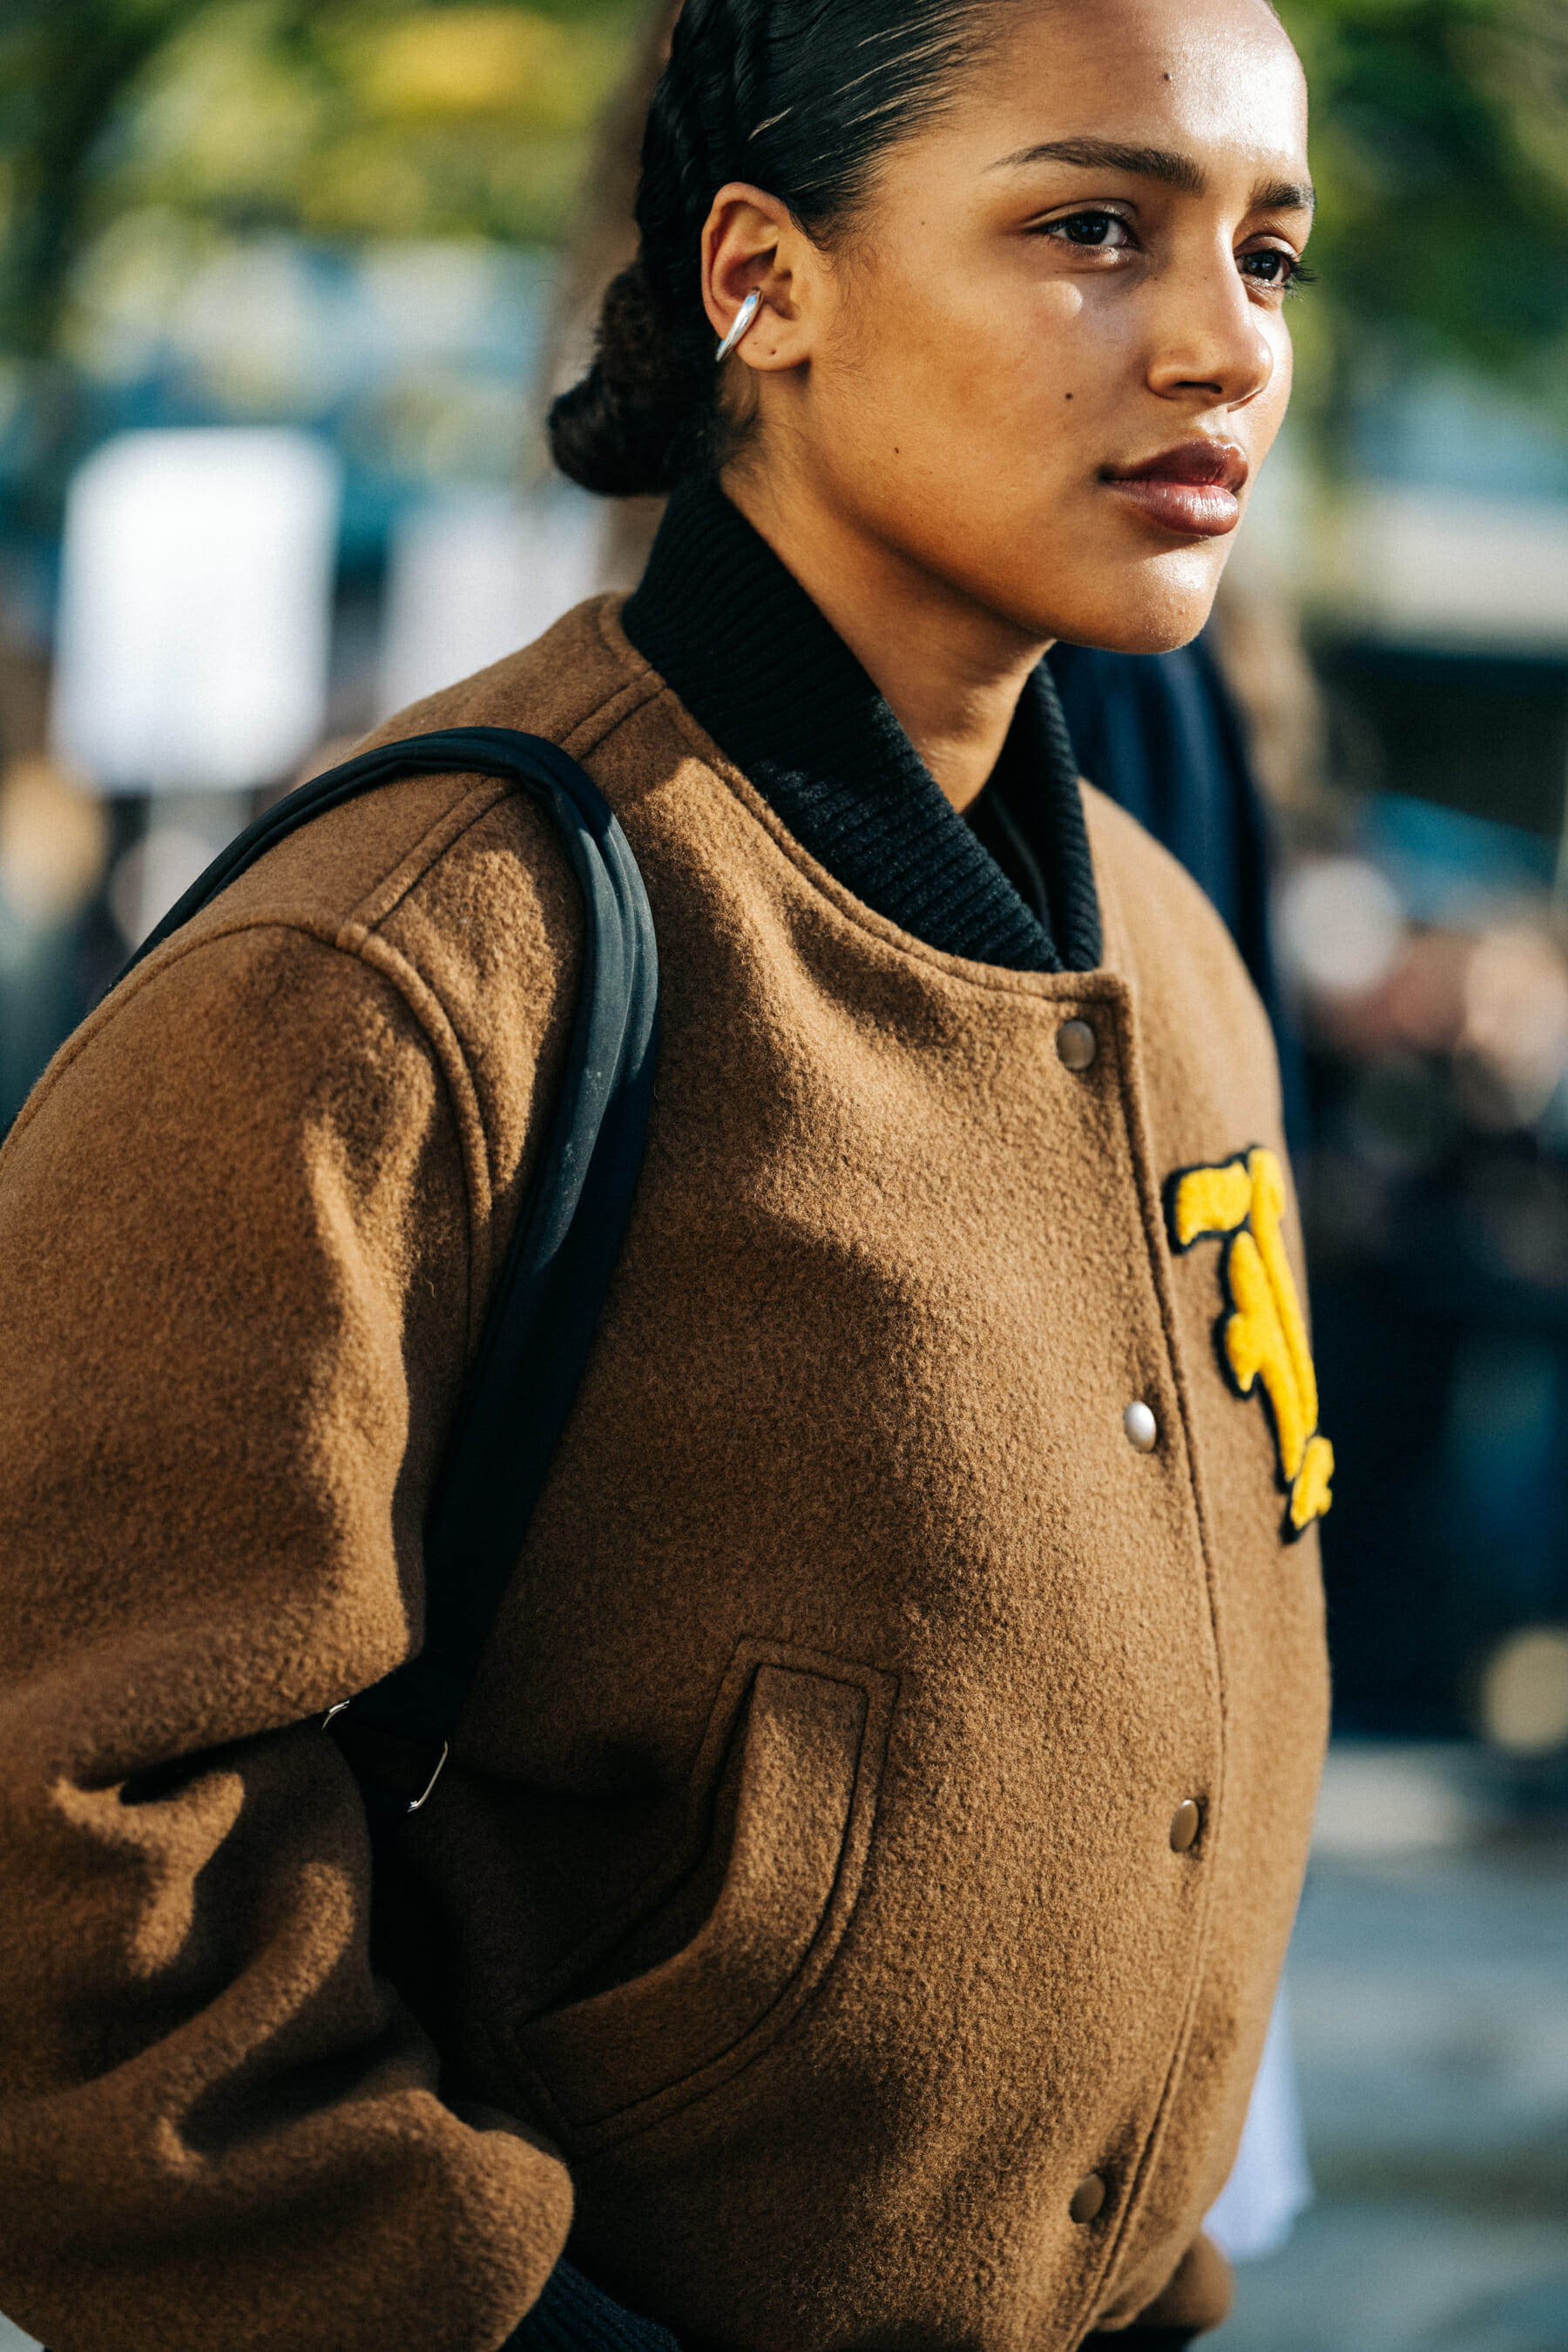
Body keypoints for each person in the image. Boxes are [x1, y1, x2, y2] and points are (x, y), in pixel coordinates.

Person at [0, 3, 1331, 2349]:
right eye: (1096, 228)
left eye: (1275, 251)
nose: (1227, 344)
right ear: (762, 281)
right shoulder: (407, 957)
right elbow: (61, 1833)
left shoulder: (1183, 953)